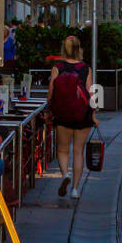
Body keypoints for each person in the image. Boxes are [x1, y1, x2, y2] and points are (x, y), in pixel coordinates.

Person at [47, 35, 97, 200]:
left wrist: (49, 110)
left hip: (63, 114)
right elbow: (91, 92)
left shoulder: (58, 67)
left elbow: (51, 93)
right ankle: (75, 189)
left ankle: (64, 174)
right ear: (79, 49)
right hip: (82, 115)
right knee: (78, 152)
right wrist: (94, 114)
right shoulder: (85, 68)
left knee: (62, 149)